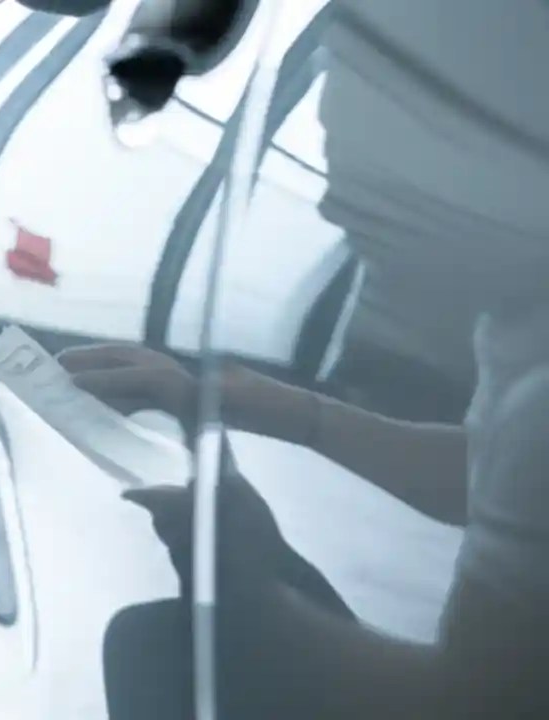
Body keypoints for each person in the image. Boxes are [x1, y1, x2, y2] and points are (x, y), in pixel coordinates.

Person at [65, 0, 549, 716]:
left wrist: (245, 581)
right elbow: (495, 476)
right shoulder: (520, 320)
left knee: (163, 647)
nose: (331, 211)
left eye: (358, 182)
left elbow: (473, 701)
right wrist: (274, 407)